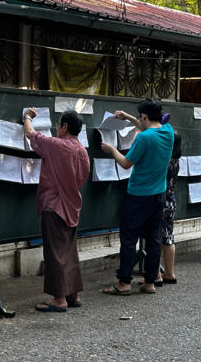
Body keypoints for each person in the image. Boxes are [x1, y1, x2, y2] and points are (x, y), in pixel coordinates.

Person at [99, 100, 174, 295]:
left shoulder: (144, 138)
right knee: (153, 239)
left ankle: (124, 283)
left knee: (129, 239)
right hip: (159, 195)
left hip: (138, 195)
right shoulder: (168, 132)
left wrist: (112, 149)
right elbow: (147, 125)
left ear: (144, 116)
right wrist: (128, 117)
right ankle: (150, 282)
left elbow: (125, 163)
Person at [23, 108, 90, 313]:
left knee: (54, 253)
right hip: (72, 205)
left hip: (54, 205)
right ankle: (73, 294)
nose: (56, 128)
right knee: (69, 251)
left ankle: (59, 299)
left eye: (58, 124)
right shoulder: (82, 151)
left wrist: (27, 117)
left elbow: (30, 134)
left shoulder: (57, 146)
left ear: (65, 127)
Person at [157, 129, 182, 284]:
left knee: (156, 238)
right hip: (170, 201)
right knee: (168, 237)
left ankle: (156, 275)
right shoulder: (176, 161)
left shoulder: (165, 162)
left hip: (161, 201)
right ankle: (169, 273)